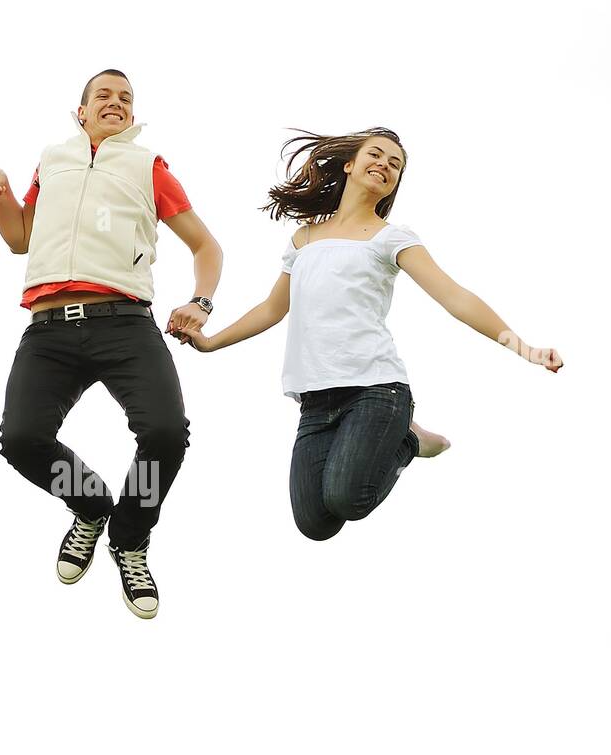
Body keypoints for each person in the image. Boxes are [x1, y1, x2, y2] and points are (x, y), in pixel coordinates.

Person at [175, 128, 562, 540]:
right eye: (376, 155)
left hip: (375, 389)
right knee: (316, 524)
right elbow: (273, 308)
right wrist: (212, 342)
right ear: (350, 165)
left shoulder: (391, 238)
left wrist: (525, 348)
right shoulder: (304, 238)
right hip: (315, 399)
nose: (384, 165)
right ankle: (404, 434)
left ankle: (408, 440)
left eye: (395, 164)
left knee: (348, 500)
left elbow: (455, 297)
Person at [0, 69, 222, 617]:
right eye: (103, 96)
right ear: (79, 113)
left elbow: (206, 246)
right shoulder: (53, 160)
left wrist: (199, 302)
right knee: (20, 439)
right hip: (49, 330)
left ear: (132, 115)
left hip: (124, 322)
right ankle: (89, 504)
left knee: (165, 434)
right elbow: (19, 239)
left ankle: (130, 536)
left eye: (126, 99)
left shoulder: (146, 165)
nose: (116, 103)